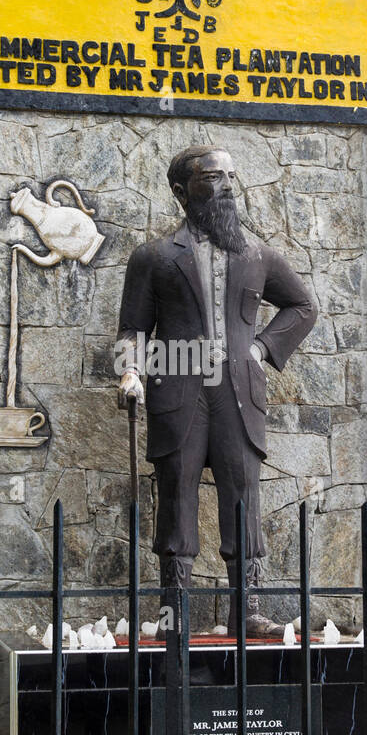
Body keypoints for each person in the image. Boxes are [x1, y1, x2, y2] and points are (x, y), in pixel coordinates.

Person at [115, 144, 318, 636]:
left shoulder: (259, 255)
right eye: (212, 177)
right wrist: (130, 372)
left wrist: (262, 349)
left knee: (242, 495)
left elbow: (302, 307)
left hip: (239, 393)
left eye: (230, 175)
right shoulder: (154, 257)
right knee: (176, 497)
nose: (226, 185)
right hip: (176, 391)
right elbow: (132, 329)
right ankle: (173, 612)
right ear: (182, 191)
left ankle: (244, 611)